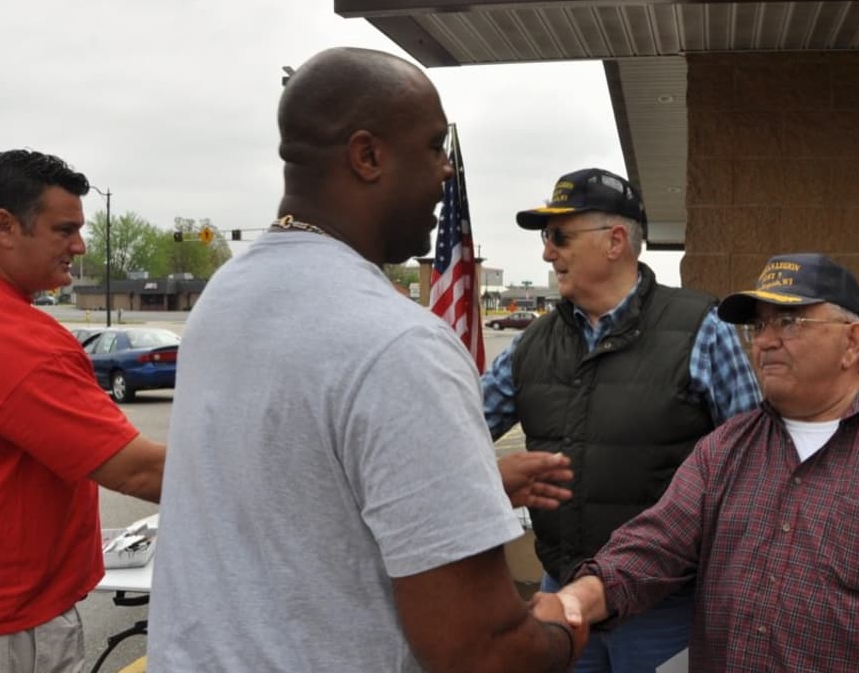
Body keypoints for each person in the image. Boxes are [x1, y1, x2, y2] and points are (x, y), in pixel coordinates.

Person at [146, 47, 586, 673]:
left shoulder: (223, 297)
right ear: (368, 155)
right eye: (435, 148)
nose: (445, 174)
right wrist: (563, 627)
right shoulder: (398, 344)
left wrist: (469, 492)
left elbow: (295, 498)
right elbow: (478, 650)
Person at [556, 252, 859, 672]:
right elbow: (652, 547)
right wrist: (577, 599)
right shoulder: (724, 450)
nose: (764, 341)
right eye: (759, 325)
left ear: (852, 342)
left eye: (789, 321)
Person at [482, 168, 761, 672]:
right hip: (563, 599)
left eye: (558, 236)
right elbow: (458, 436)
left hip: (666, 609)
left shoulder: (702, 328)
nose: (548, 252)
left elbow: (753, 468)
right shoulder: (531, 344)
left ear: (615, 241)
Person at [0, 150, 166, 673]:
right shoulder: (14, 339)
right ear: (4, 226)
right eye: (64, 229)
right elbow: (137, 470)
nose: (79, 246)